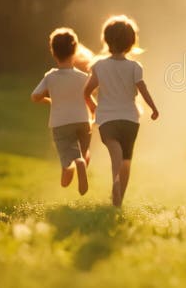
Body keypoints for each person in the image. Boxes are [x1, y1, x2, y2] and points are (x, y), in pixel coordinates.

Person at [83, 15, 159, 207]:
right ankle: (119, 200)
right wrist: (153, 108)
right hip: (130, 119)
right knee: (126, 159)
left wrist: (93, 107)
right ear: (131, 42)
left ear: (106, 40)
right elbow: (143, 89)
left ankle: (115, 181)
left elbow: (86, 91)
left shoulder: (99, 66)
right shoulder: (135, 67)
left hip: (107, 119)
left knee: (113, 147)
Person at [31, 28, 92, 195]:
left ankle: (72, 165)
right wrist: (93, 114)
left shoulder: (50, 76)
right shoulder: (83, 77)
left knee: (67, 156)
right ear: (75, 52)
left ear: (53, 52)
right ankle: (81, 161)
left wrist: (50, 100)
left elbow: (35, 96)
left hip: (61, 123)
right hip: (83, 121)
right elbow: (90, 99)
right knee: (83, 151)